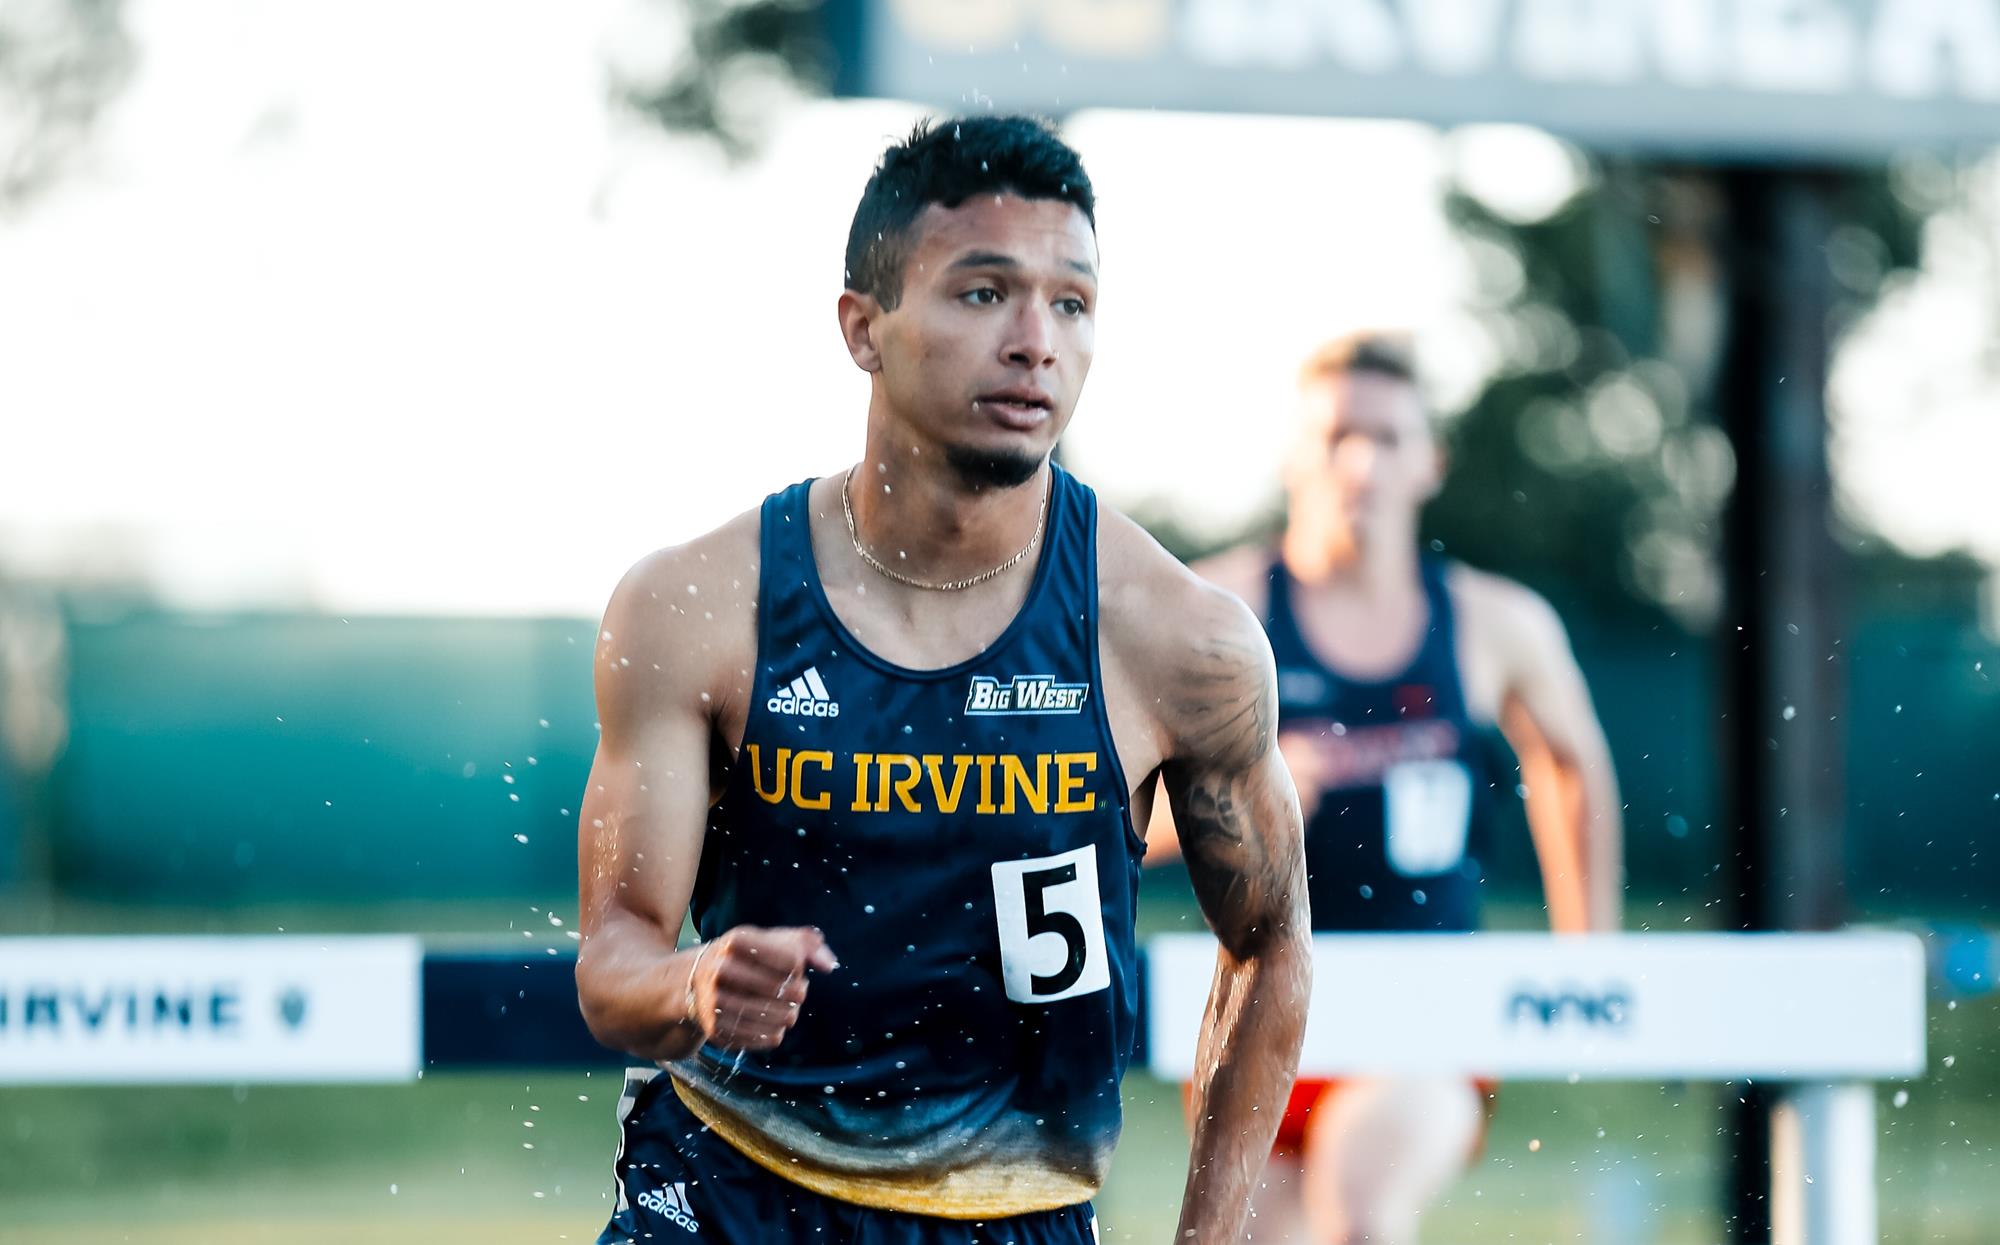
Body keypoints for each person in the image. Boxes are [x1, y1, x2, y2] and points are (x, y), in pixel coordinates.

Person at [574, 115, 1310, 1245]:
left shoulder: (1182, 640)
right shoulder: (695, 606)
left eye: (1072, 303)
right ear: (862, 328)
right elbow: (611, 961)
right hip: (723, 1192)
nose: (1035, 342)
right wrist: (692, 983)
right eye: (983, 293)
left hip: (1012, 1211)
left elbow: (1270, 945)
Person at [1149, 333, 1624, 1244]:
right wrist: (1242, 800)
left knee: (1360, 1209)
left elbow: (1572, 763)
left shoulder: (1494, 621)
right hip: (1259, 1009)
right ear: (1293, 455)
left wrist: (1588, 954)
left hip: (1428, 1010)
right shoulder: (1214, 613)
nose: (1362, 462)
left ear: (1430, 461)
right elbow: (1102, 812)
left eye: (1389, 437)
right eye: (1338, 436)